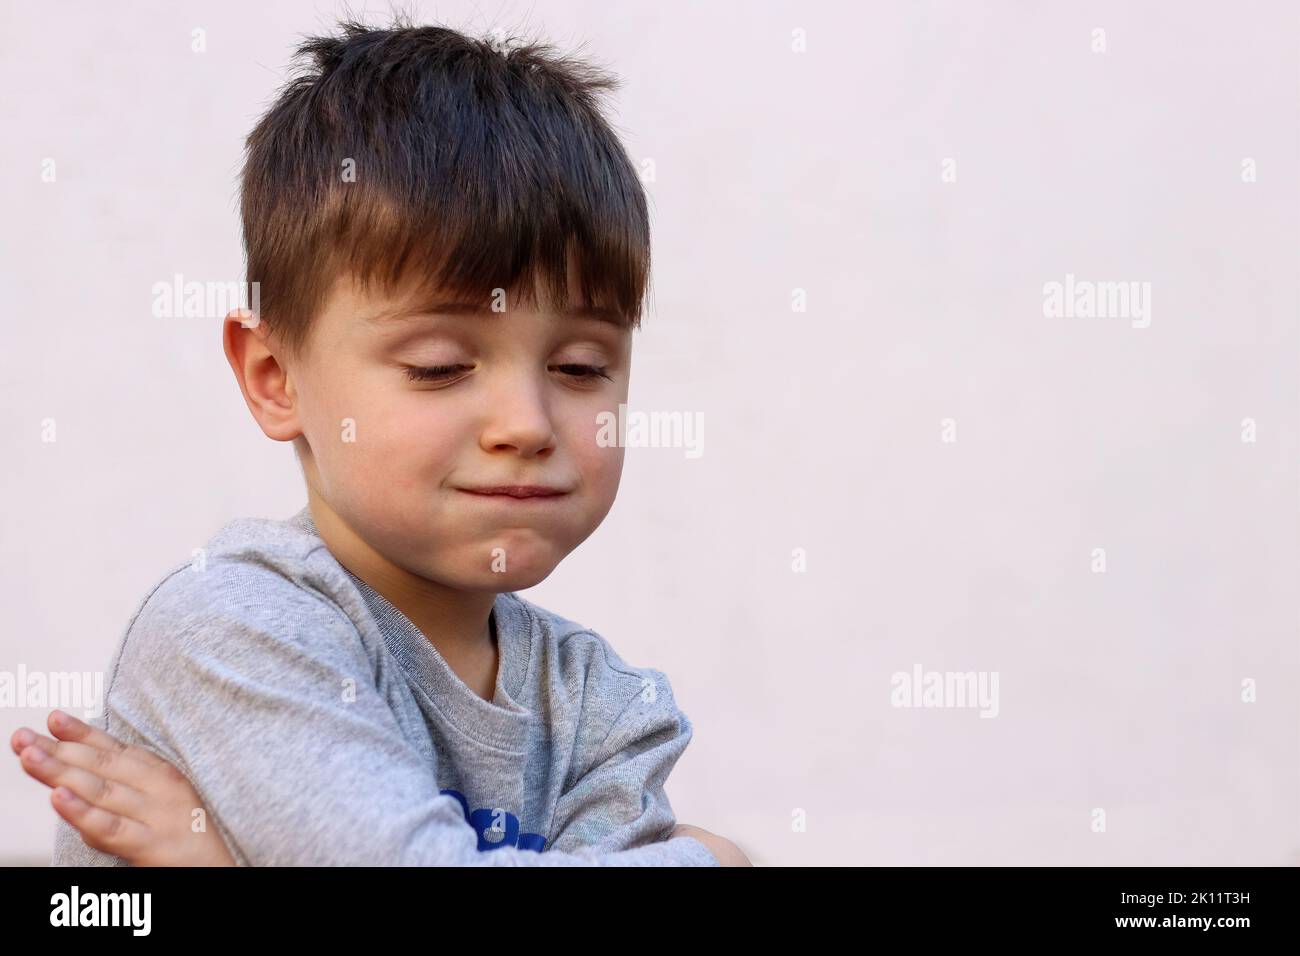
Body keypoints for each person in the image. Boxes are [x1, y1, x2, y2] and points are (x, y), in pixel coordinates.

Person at [9, 15, 749, 867]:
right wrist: (711, 861)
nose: (527, 425)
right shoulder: (235, 627)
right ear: (274, 377)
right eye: (439, 366)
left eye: (581, 368)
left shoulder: (606, 708)